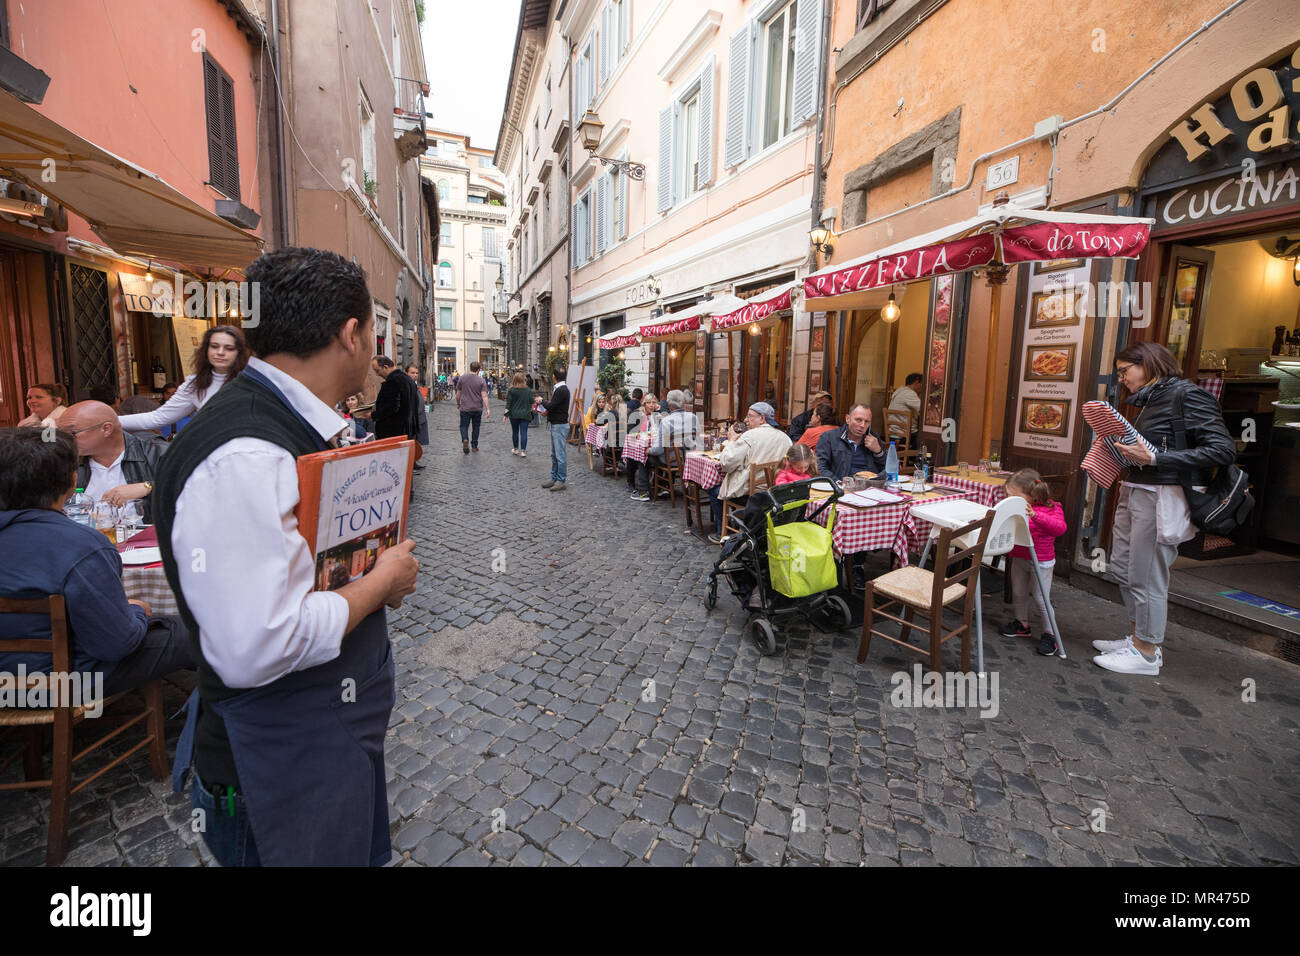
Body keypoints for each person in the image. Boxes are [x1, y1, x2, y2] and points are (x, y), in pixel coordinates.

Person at [152, 245, 420, 867]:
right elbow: (259, 646)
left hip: (324, 745)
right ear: (351, 334)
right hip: (279, 770)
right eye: (373, 329)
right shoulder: (247, 454)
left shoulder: (285, 424)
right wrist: (377, 585)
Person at [0, 427, 193, 700]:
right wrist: (136, 611)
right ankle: (221, 718)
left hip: (10, 679)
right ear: (71, 481)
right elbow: (115, 644)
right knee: (194, 629)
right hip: (57, 683)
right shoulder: (80, 546)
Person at [1093, 341, 1234, 676]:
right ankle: (1138, 636)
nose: (1122, 379)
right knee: (1124, 567)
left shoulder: (1188, 395)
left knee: (1148, 574)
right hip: (1137, 488)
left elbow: (1223, 449)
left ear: (1150, 365)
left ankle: (1146, 653)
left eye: (1126, 371)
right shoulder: (1150, 400)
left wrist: (1156, 458)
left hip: (1163, 495)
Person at [119, 326, 248, 434]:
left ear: (239, 352)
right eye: (214, 346)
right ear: (206, 350)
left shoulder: (252, 382)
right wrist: (110, 421)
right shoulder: (196, 385)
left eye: (229, 348)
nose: (220, 352)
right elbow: (158, 418)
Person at [61, 401, 168, 524]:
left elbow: (187, 487)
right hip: (91, 540)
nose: (65, 440)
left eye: (72, 433)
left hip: (150, 540)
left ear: (106, 429)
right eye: (61, 434)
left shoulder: (156, 453)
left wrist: (148, 487)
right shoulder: (64, 463)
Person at [998, 469, 1067, 656]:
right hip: (1019, 557)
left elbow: (1060, 529)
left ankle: (1050, 634)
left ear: (1031, 495)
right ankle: (1022, 624)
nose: (1008, 498)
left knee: (1041, 598)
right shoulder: (1016, 508)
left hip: (1041, 561)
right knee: (1018, 592)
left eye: (1013, 496)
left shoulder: (1052, 507)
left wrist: (1036, 516)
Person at [707, 402, 792, 543]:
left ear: (762, 418)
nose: (746, 420)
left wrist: (731, 441)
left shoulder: (749, 437)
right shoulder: (785, 438)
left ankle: (724, 532)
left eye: (750, 416)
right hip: (774, 493)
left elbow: (726, 464)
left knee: (712, 489)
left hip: (748, 494)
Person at [815, 403, 887, 479]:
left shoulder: (874, 438)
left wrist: (878, 452)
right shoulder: (828, 437)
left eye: (867, 422)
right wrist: (839, 483)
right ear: (848, 419)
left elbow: (888, 469)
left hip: (869, 487)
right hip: (840, 486)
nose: (862, 425)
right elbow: (820, 468)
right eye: (858, 420)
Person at [370, 355, 421, 442]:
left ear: (385, 367)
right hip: (407, 432)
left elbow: (391, 407)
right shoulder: (408, 379)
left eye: (377, 370)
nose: (377, 374)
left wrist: (372, 415)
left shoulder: (393, 380)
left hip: (394, 434)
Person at [625, 393, 661, 499]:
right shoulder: (637, 413)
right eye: (649, 403)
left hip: (651, 445)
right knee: (633, 457)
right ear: (644, 404)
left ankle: (652, 485)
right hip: (635, 442)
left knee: (648, 456)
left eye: (654, 403)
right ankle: (630, 482)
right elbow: (629, 431)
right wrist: (638, 433)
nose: (651, 405)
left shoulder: (656, 415)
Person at [541, 366, 569, 491]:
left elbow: (552, 405)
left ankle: (560, 480)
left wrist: (541, 401)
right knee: (554, 454)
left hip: (559, 426)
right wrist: (548, 411)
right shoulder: (561, 388)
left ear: (554, 376)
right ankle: (554, 478)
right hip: (556, 424)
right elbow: (556, 406)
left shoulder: (561, 390)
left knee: (559, 454)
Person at [455, 361, 491, 454]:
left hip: (465, 407)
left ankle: (465, 439)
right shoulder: (481, 380)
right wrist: (487, 409)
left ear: (470, 368)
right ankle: (474, 446)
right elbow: (484, 396)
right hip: (477, 408)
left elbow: (458, 393)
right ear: (478, 370)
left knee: (464, 426)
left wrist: (458, 403)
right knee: (476, 427)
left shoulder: (462, 378)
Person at [887, 373, 924, 446]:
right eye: (922, 384)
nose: (923, 387)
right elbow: (924, 410)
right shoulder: (909, 393)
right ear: (916, 382)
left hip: (892, 432)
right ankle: (915, 457)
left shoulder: (899, 391)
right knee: (926, 435)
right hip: (903, 435)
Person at [505, 371, 532, 457]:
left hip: (514, 414)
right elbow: (531, 401)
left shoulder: (511, 390)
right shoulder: (527, 390)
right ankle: (523, 451)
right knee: (524, 432)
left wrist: (505, 415)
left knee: (515, 431)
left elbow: (508, 403)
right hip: (525, 414)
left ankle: (516, 449)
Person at [405, 365, 430, 447]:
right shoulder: (406, 386)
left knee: (416, 446)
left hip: (420, 420)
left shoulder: (415, 385)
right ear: (406, 373)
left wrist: (423, 400)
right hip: (412, 422)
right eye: (412, 373)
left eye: (417, 373)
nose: (415, 375)